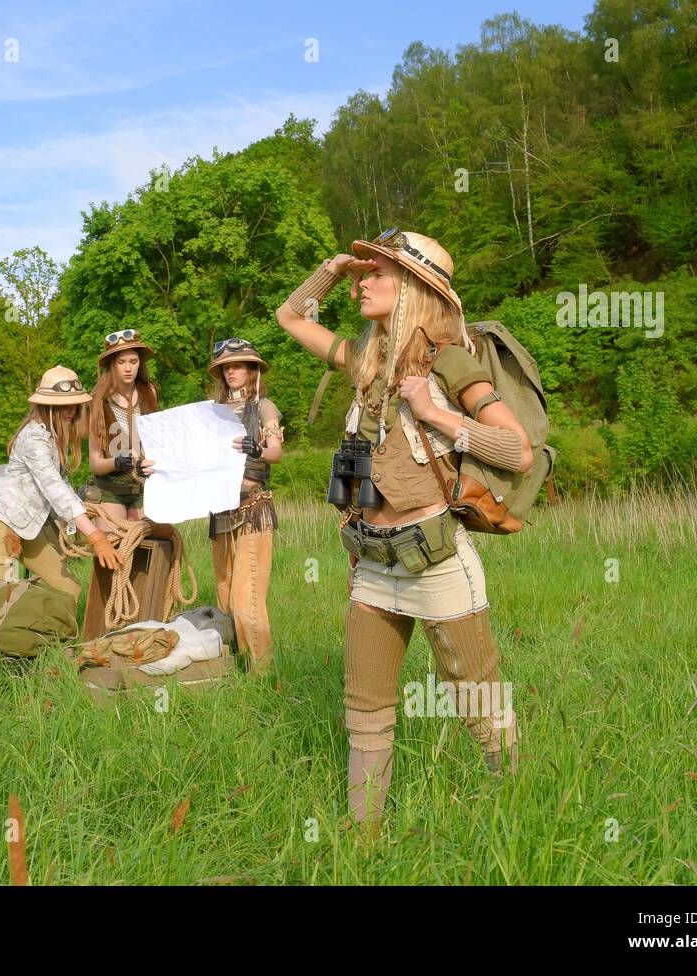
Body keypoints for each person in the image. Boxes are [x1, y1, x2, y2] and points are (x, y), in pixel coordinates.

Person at [276, 229, 531, 831]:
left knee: (480, 703)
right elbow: (290, 317)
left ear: (414, 288)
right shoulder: (366, 361)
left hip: (438, 563)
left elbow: (515, 451)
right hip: (372, 564)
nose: (363, 282)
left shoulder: (448, 359)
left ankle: (521, 815)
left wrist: (436, 412)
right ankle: (361, 841)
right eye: (363, 274)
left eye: (377, 274)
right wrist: (333, 268)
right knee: (365, 711)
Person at [0, 365, 121, 596]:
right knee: (1, 598)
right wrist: (95, 537)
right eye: (63, 405)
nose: (71, 410)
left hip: (28, 527)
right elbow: (55, 489)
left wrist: (83, 511)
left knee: (68, 589)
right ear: (46, 405)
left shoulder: (53, 438)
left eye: (74, 404)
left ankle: (55, 632)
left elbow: (62, 488)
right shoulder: (34, 439)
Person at [206, 339, 283, 675]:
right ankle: (231, 669)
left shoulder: (264, 406)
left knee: (245, 597)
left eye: (238, 365)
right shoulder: (211, 410)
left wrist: (257, 448)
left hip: (253, 507)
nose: (232, 371)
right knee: (224, 595)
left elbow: (276, 453)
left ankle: (260, 675)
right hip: (220, 510)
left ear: (253, 369)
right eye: (226, 367)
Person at [84, 330, 159, 530]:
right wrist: (116, 462)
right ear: (111, 365)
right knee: (112, 552)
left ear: (140, 364)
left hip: (144, 486)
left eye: (133, 362)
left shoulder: (149, 392)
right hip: (111, 489)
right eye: (121, 362)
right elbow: (94, 463)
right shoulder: (97, 401)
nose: (128, 368)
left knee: (151, 550)